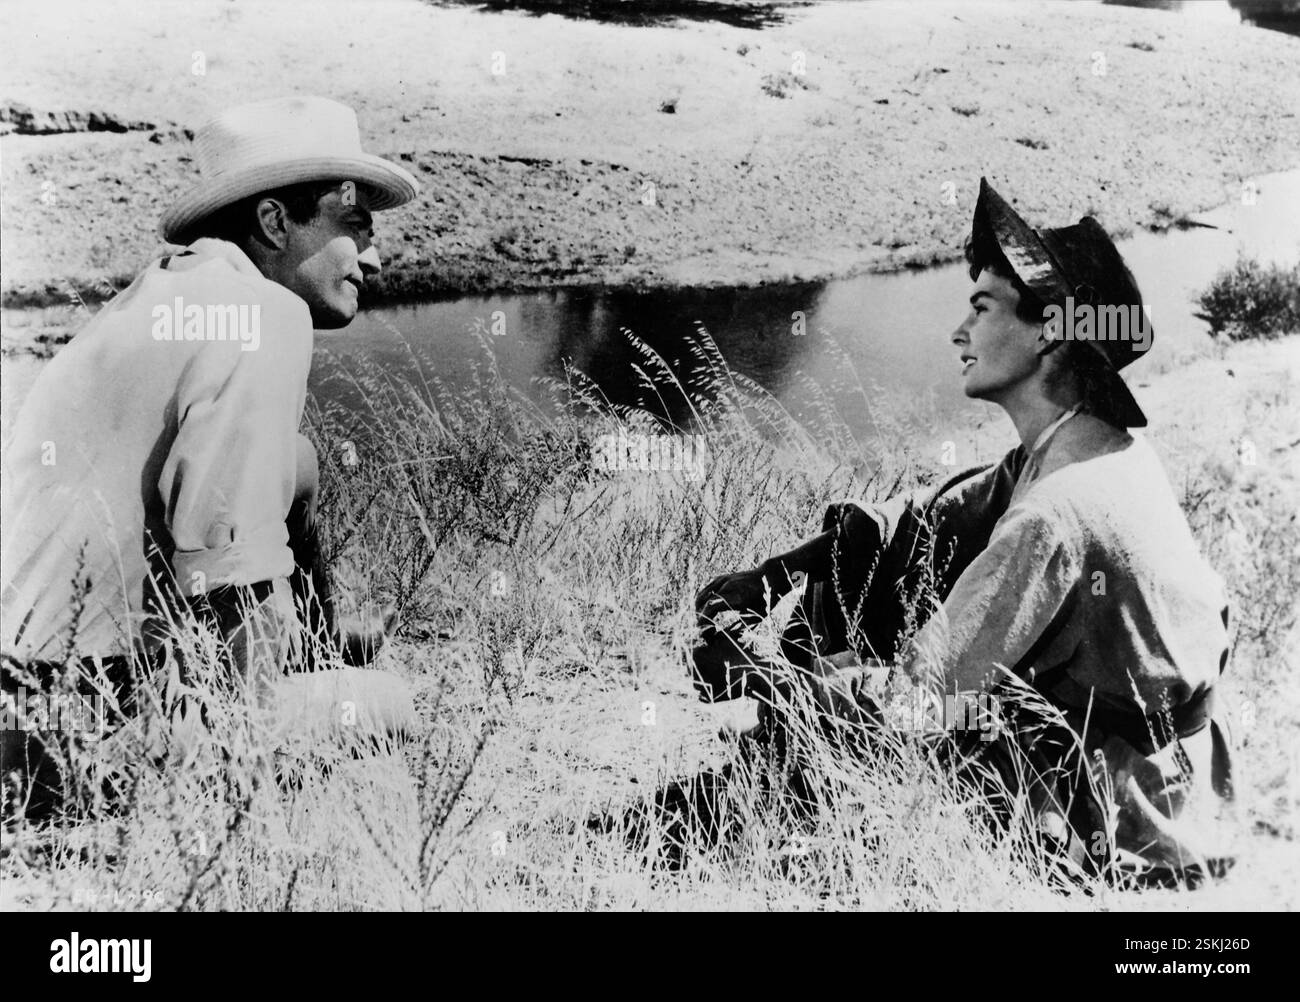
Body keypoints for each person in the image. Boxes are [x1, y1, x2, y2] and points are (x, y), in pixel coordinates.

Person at [691, 178, 1237, 888]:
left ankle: (776, 798)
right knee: (856, 565)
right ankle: (781, 761)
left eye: (981, 308)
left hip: (1119, 818)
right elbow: (929, 518)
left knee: (857, 689)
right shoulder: (1085, 445)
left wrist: (767, 676)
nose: (958, 332)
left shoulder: (1056, 513)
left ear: (1049, 333)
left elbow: (914, 705)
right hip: (1181, 787)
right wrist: (774, 574)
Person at [2, 96, 420, 809]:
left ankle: (312, 644)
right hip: (76, 731)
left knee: (300, 460)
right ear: (274, 222)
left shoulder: (170, 289)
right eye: (354, 226)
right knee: (393, 704)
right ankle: (296, 675)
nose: (374, 255)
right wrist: (253, 715)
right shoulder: (268, 314)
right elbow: (228, 567)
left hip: (20, 695)